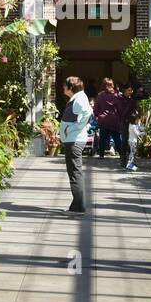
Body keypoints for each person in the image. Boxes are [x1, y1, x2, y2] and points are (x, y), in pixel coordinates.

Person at [58, 75, 92, 213]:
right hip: (74, 138)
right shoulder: (77, 98)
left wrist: (72, 128)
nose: (63, 88)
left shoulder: (78, 99)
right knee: (75, 172)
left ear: (70, 87)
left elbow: (87, 112)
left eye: (65, 85)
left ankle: (78, 206)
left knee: (75, 173)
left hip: (74, 140)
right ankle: (76, 205)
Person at [92, 77, 124, 159]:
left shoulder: (100, 95)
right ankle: (121, 154)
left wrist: (98, 115)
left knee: (103, 138)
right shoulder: (117, 95)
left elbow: (96, 108)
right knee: (117, 137)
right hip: (114, 119)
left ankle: (101, 155)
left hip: (103, 120)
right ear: (112, 85)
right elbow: (120, 108)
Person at [117, 84, 139, 168]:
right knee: (124, 141)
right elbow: (122, 112)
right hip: (124, 122)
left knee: (133, 142)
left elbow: (135, 109)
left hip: (132, 122)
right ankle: (123, 161)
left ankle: (132, 161)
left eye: (131, 90)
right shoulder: (120, 99)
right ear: (125, 91)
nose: (131, 92)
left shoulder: (132, 100)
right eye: (129, 90)